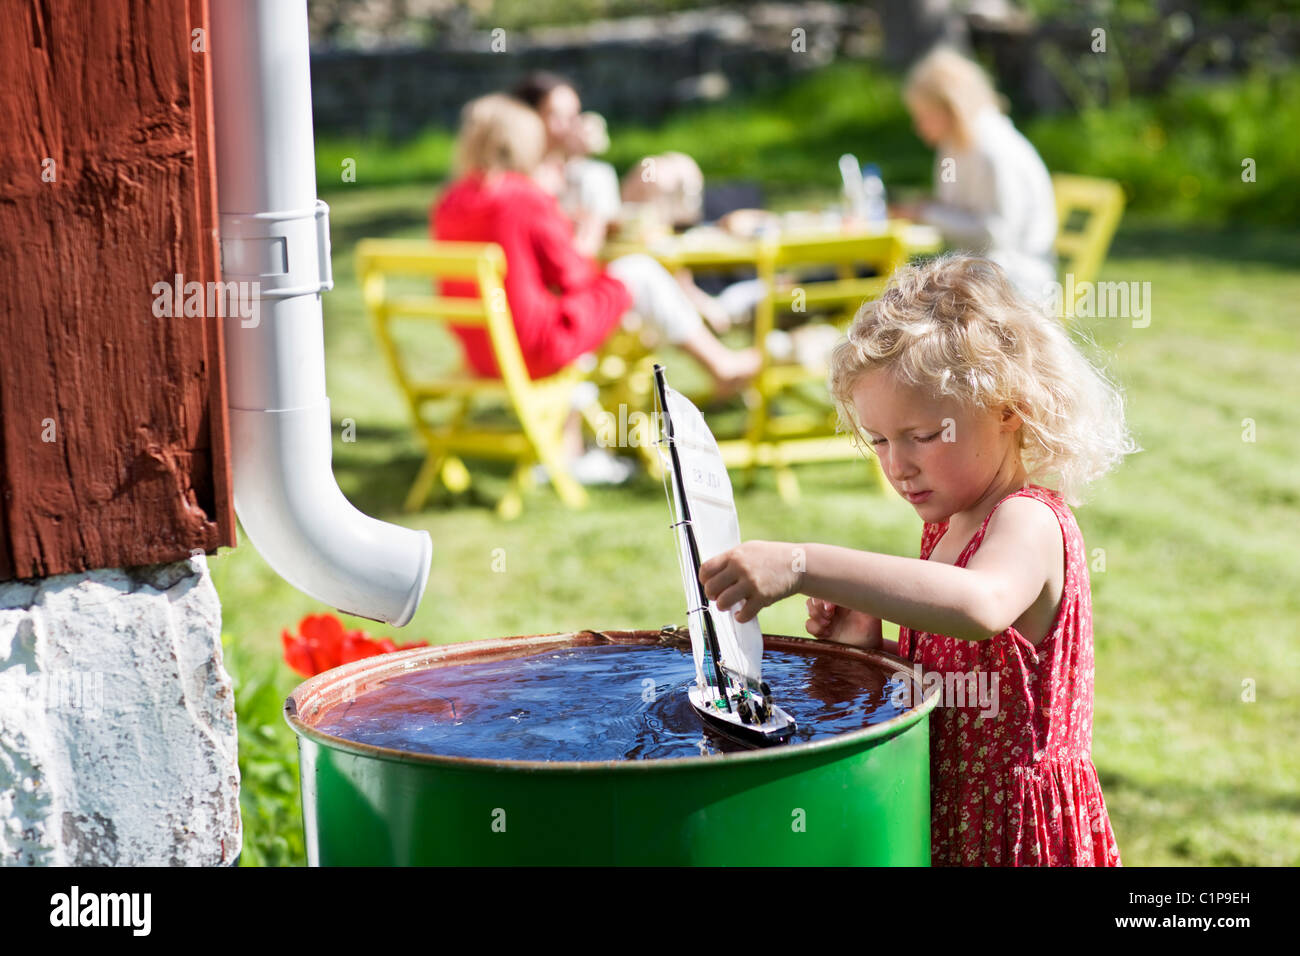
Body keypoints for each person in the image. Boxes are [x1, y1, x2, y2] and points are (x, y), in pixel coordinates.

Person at [697, 255, 1137, 866]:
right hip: (948, 810)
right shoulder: (947, 530)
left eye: (924, 436)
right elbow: (943, 689)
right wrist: (872, 649)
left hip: (1016, 834)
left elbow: (978, 606)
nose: (897, 464)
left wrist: (802, 565)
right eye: (878, 440)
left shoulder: (1028, 519)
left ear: (1008, 408)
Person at [431, 94, 761, 479]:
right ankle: (720, 364)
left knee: (621, 290)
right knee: (637, 271)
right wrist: (589, 232)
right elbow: (573, 274)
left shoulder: (451, 200)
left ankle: (578, 444)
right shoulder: (522, 198)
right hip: (536, 347)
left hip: (482, 348)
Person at [896, 46, 1058, 301]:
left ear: (951, 108)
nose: (918, 127)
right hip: (980, 270)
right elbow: (959, 208)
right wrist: (925, 208)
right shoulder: (955, 145)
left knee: (914, 299)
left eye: (924, 116)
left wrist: (925, 213)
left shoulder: (994, 150)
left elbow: (995, 234)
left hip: (1015, 281)